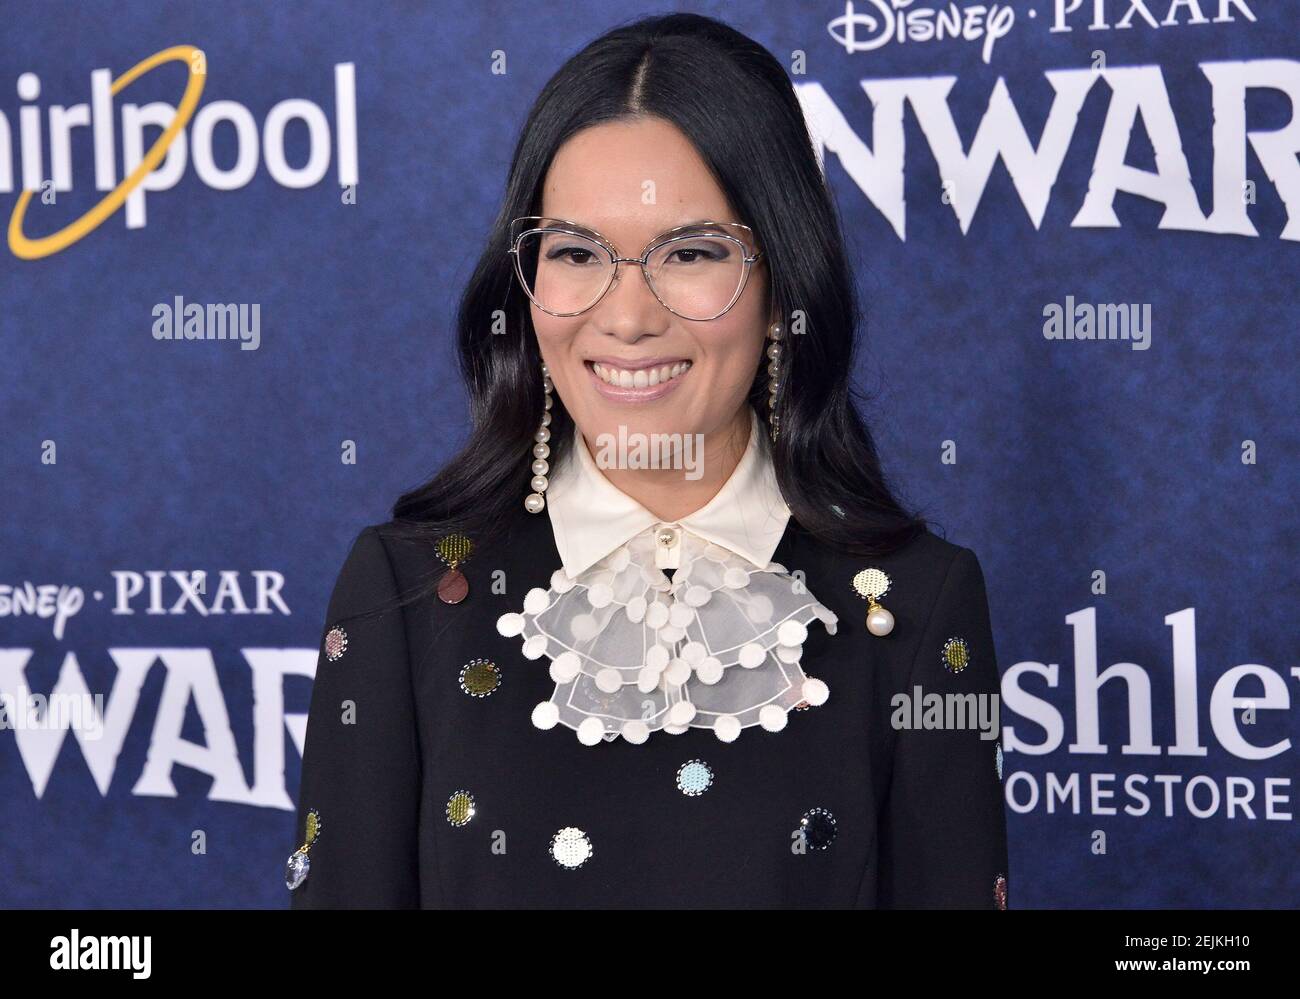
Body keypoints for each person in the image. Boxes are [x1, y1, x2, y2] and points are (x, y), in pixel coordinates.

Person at [287, 12, 1008, 909]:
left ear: (785, 284)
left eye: (692, 252)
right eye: (577, 252)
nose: (627, 316)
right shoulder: (408, 593)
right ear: (528, 284)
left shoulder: (911, 608)